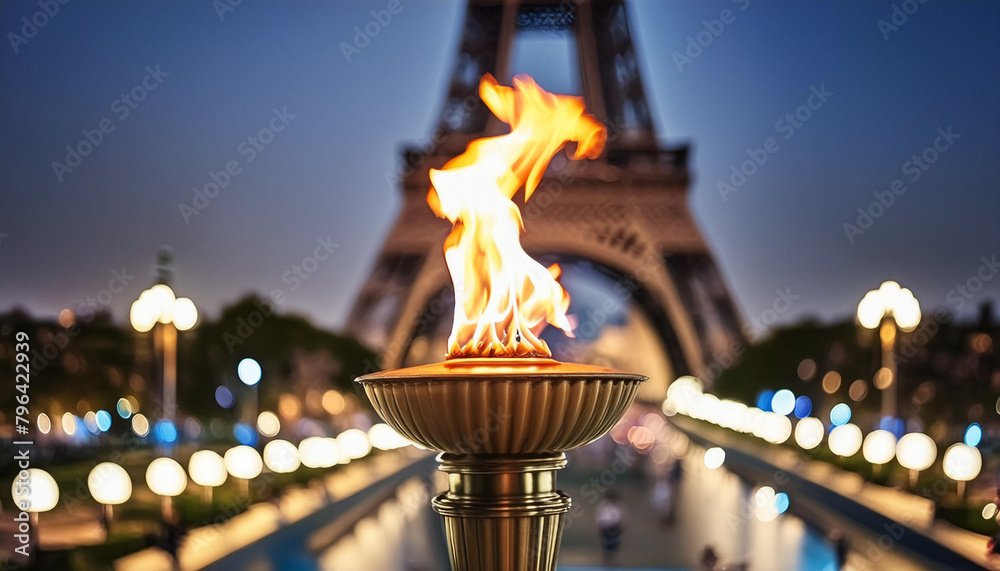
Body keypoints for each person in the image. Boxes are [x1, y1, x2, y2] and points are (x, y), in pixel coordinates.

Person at [596, 490, 626, 565]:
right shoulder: (603, 505)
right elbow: (599, 516)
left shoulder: (619, 505)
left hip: (615, 527)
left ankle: (613, 560)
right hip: (606, 526)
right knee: (606, 545)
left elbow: (622, 516)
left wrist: (622, 526)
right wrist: (600, 526)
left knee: (614, 544)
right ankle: (606, 560)